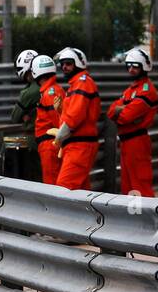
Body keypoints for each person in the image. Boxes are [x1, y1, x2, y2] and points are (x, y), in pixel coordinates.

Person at [107, 46, 158, 198]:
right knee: (128, 186)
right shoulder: (131, 90)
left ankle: (148, 220)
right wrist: (120, 110)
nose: (131, 69)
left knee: (140, 185)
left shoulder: (146, 90)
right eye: (128, 66)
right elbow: (111, 112)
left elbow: (124, 117)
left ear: (144, 66)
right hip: (126, 142)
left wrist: (120, 110)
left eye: (135, 66)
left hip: (137, 142)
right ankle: (133, 219)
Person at [52, 46, 100, 192]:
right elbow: (74, 112)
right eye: (62, 64)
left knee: (64, 189)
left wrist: (60, 136)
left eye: (68, 63)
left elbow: (76, 115)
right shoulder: (76, 85)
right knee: (81, 192)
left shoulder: (82, 82)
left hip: (79, 146)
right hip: (76, 144)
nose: (64, 67)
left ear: (78, 63)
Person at [29, 53, 65, 185]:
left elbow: (58, 119)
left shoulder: (50, 92)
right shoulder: (54, 89)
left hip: (50, 145)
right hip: (51, 144)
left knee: (52, 184)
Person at [7, 49, 41, 180]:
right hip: (53, 139)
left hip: (34, 140)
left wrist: (26, 115)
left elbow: (14, 118)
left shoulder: (28, 92)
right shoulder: (51, 86)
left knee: (34, 177)